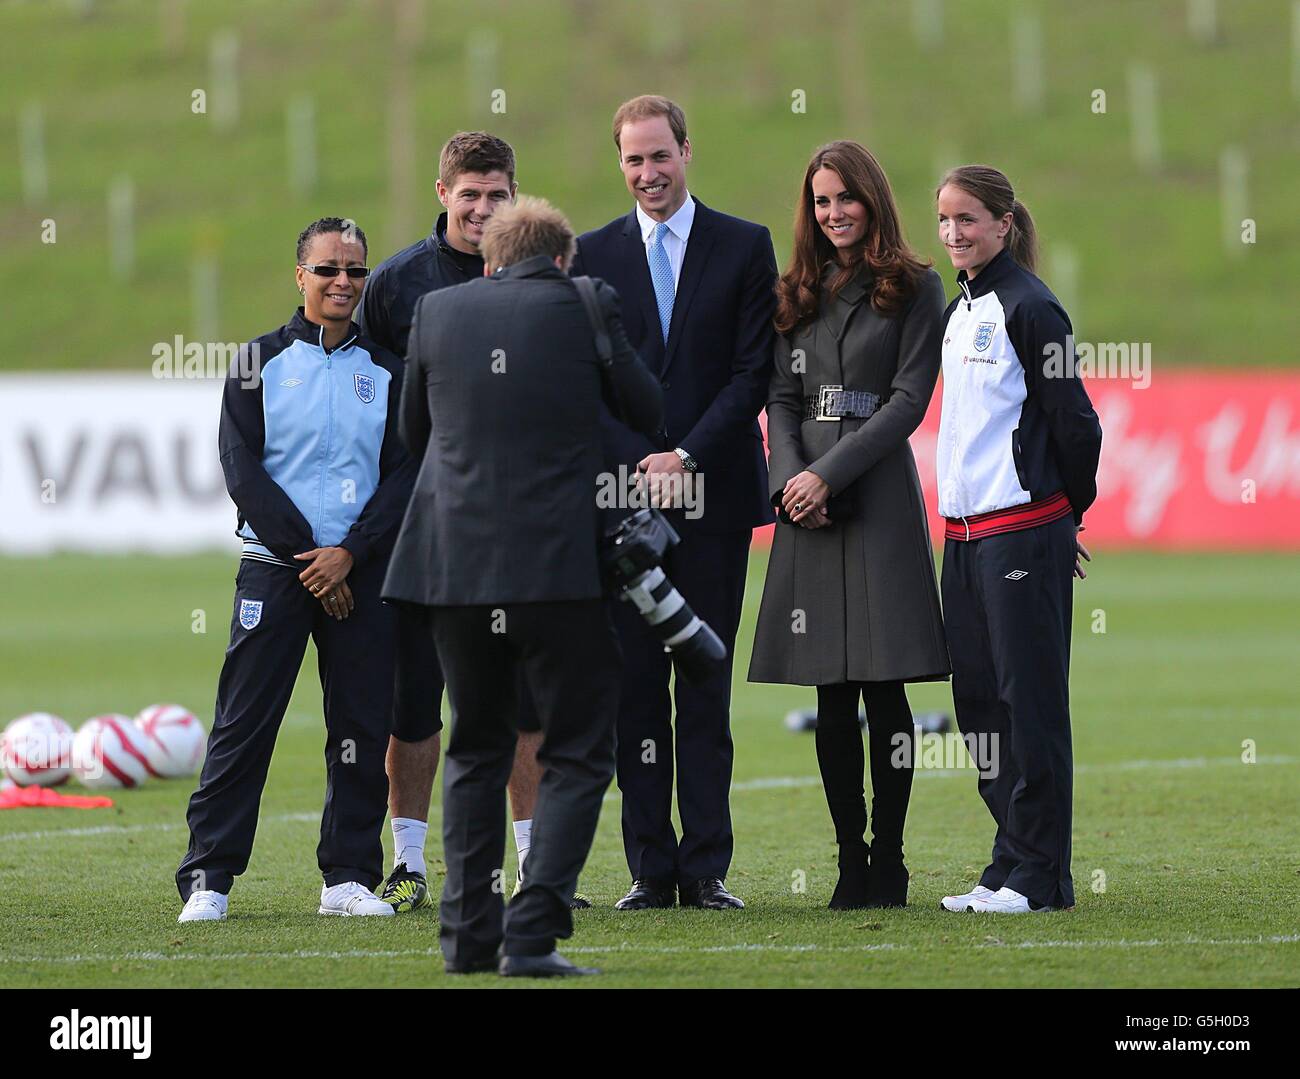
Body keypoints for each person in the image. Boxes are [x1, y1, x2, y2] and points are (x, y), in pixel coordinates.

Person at [381, 197, 662, 975]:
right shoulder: (585, 301)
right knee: (576, 749)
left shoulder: (436, 309)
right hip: (555, 568)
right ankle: (532, 931)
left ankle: (468, 938)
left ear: (492, 259)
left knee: (474, 744)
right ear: (563, 258)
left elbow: (413, 434)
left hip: (452, 565)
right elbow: (648, 410)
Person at [358, 132, 581, 910]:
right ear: (442, 191)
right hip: (422, 527)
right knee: (413, 699)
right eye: (469, 194)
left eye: (497, 195)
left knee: (520, 702)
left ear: (514, 195)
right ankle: (410, 863)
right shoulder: (395, 284)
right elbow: (382, 406)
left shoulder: (543, 276)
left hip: (517, 528)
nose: (482, 209)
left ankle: (531, 867)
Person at [176, 217, 415, 922]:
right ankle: (209, 877)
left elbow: (405, 473)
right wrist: (312, 558)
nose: (344, 281)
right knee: (245, 722)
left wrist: (351, 554)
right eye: (329, 269)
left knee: (360, 724)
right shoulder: (257, 361)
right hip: (278, 568)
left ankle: (346, 876)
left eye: (355, 270)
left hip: (361, 570)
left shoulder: (390, 370)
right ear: (300, 276)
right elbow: (240, 467)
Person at [572, 95, 777, 912]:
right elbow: (587, 389)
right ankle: (650, 870)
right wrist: (639, 464)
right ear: (619, 163)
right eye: (633, 160)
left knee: (705, 683)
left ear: (688, 152)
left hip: (716, 499)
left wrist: (685, 454)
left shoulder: (743, 245)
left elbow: (751, 373)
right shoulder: (589, 256)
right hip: (624, 509)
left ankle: (706, 867)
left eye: (661, 156)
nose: (648, 173)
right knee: (633, 691)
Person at [748, 141, 950, 908]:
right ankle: (847, 862)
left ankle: (891, 859)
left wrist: (826, 475)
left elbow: (907, 401)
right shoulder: (794, 289)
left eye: (847, 198)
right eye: (822, 201)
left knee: (883, 684)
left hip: (876, 497)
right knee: (829, 690)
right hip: (804, 501)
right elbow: (781, 400)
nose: (834, 213)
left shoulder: (915, 287)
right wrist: (790, 482)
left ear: (873, 199)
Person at [932, 166, 1102, 914]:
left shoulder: (1033, 308)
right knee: (977, 704)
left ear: (1004, 222)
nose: (954, 233)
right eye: (944, 220)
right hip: (964, 540)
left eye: (968, 219)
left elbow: (1079, 423)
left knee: (1028, 704)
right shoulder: (958, 306)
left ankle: (1041, 876)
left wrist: (1067, 516)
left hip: (1020, 533)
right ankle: (1009, 860)